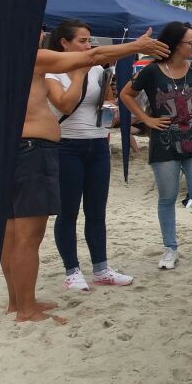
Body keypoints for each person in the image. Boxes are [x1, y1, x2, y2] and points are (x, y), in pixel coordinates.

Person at [0, 27, 169, 322]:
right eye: (37, 28)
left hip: (2, 153)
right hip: (32, 151)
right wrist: (137, 45)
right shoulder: (30, 59)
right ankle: (26, 310)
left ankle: (17, 302)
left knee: (10, 233)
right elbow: (94, 55)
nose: (41, 33)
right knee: (28, 237)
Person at [120, 22, 192, 270]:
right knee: (166, 198)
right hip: (163, 142)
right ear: (177, 44)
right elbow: (126, 94)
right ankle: (170, 248)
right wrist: (145, 119)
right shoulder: (152, 71)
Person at [44, 20, 135, 292]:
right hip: (66, 145)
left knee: (96, 210)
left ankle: (101, 268)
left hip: (97, 144)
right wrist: (80, 72)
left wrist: (110, 104)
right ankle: (71, 270)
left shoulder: (96, 69)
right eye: (82, 41)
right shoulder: (52, 70)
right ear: (64, 42)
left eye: (88, 40)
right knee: (68, 212)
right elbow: (64, 103)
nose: (88, 45)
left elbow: (103, 98)